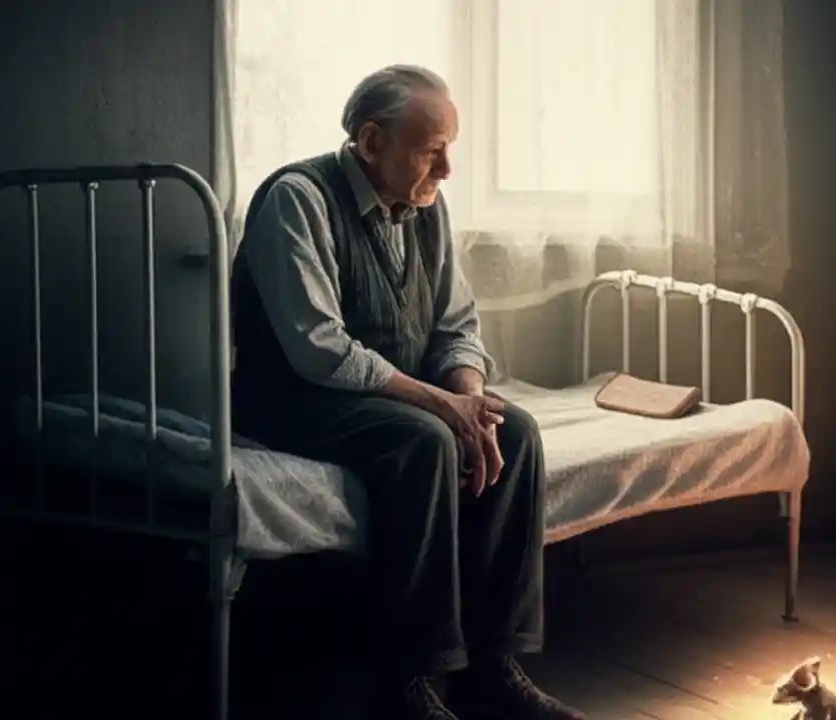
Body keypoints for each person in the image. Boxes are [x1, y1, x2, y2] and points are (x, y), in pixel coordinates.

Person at [228, 65, 586, 719]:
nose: (447, 169)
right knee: (421, 442)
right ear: (371, 142)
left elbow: (455, 327)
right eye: (433, 150)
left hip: (385, 395)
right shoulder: (295, 200)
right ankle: (407, 682)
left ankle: (490, 668)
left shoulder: (426, 206)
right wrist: (438, 405)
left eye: (450, 149)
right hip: (293, 397)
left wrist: (470, 402)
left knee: (515, 431)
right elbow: (318, 350)